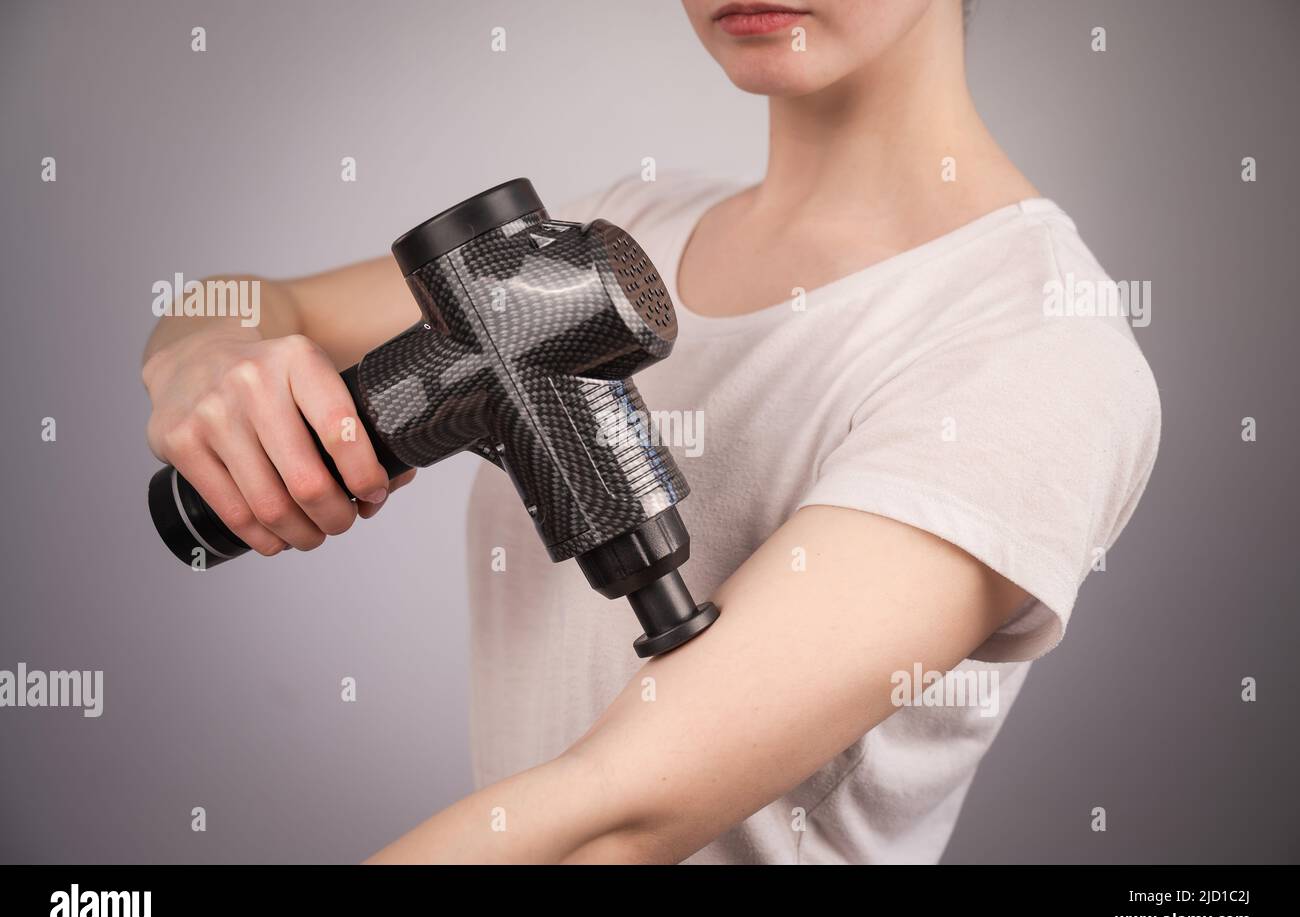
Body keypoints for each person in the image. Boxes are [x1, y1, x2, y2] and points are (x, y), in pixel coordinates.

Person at [141, 0, 1161, 863]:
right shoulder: (626, 231)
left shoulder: (1033, 344)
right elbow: (246, 298)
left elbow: (619, 811)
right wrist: (203, 358)